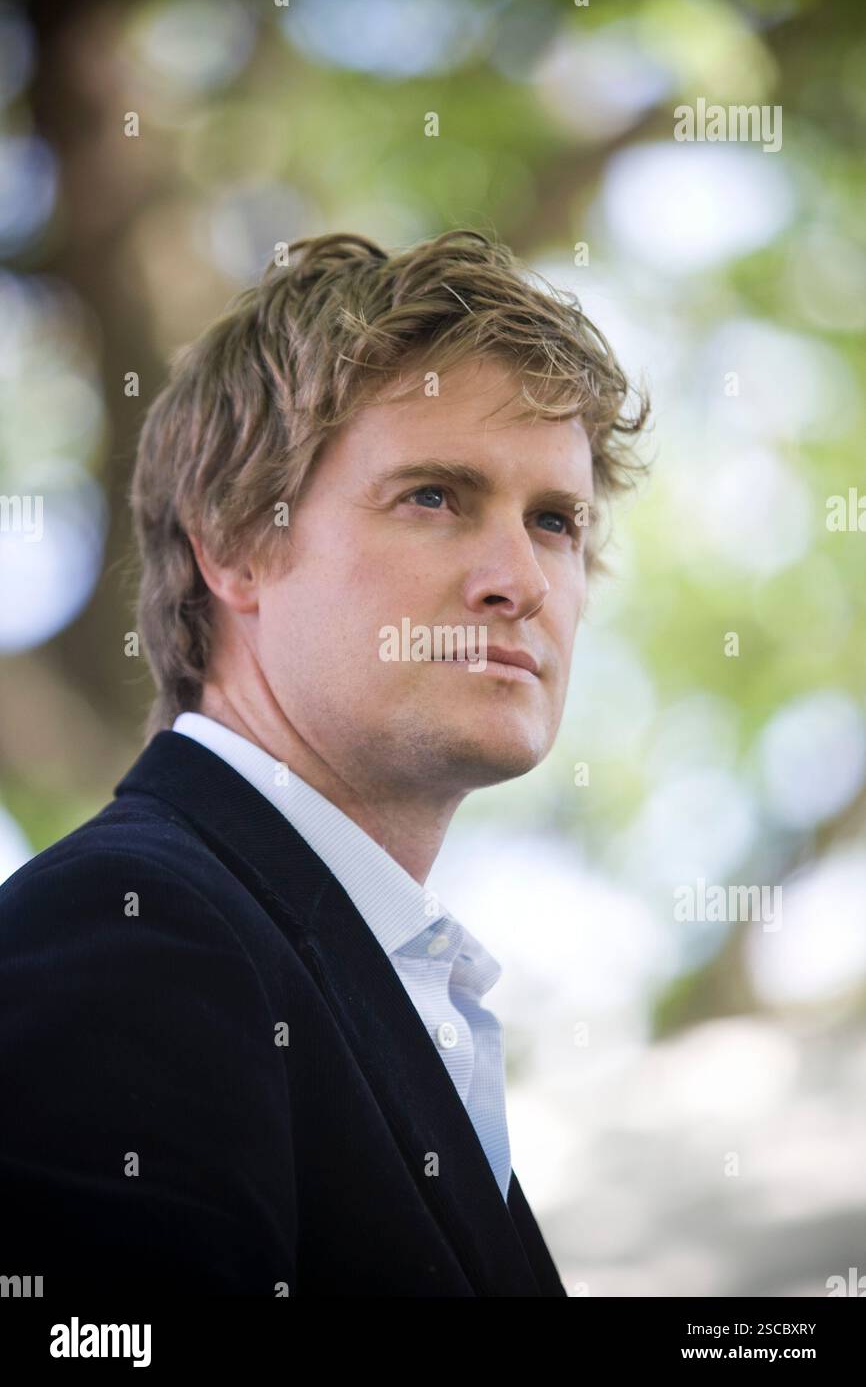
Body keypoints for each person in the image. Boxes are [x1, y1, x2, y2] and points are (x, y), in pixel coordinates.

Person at [0, 230, 648, 1296]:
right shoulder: (132, 931)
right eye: (434, 496)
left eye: (553, 521)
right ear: (238, 543)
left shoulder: (366, 974)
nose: (517, 579)